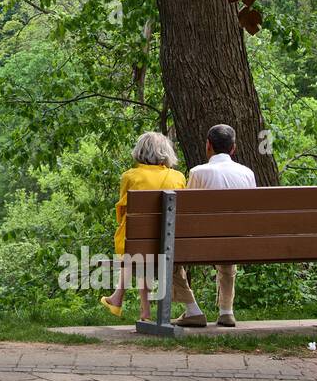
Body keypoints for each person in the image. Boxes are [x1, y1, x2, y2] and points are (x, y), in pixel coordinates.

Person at [171, 124, 257, 328]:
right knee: (228, 241)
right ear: (233, 148)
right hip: (241, 244)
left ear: (208, 145)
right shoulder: (247, 173)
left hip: (204, 243)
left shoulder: (198, 172)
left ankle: (193, 310)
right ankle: (226, 311)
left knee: (168, 254)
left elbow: (187, 214)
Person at [101, 131, 186, 322]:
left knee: (137, 246)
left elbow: (122, 212)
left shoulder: (130, 176)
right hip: (170, 240)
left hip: (138, 241)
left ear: (140, 151)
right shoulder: (178, 177)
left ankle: (136, 306)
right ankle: (137, 307)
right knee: (142, 248)